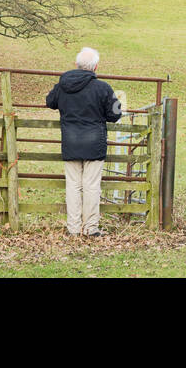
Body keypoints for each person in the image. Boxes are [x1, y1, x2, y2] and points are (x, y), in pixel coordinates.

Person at [45, 47, 122, 237]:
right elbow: (115, 114)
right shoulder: (103, 87)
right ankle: (90, 228)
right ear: (95, 67)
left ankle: (73, 228)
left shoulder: (63, 85)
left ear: (76, 65)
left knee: (73, 185)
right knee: (91, 186)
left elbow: (50, 101)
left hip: (70, 141)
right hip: (94, 142)